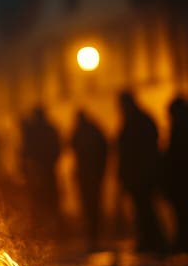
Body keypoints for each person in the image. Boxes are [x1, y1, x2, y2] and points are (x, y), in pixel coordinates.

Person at [118, 92, 166, 252]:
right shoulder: (137, 120)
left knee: (145, 209)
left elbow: (138, 150)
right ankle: (149, 240)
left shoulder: (138, 121)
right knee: (142, 209)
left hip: (142, 175)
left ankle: (154, 241)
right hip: (138, 175)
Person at [20, 107, 61, 235]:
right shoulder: (45, 130)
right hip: (39, 171)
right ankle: (43, 231)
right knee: (41, 203)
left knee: (44, 202)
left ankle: (47, 231)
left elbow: (27, 151)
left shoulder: (40, 132)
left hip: (43, 171)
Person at [71, 110, 108, 250]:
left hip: (91, 176)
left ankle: (95, 236)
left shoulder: (90, 132)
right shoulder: (89, 131)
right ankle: (92, 236)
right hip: (87, 176)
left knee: (92, 207)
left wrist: (99, 171)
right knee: (89, 207)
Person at [165, 97, 188, 252]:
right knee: (180, 212)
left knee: (182, 211)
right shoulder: (177, 127)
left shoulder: (180, 128)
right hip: (177, 178)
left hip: (181, 178)